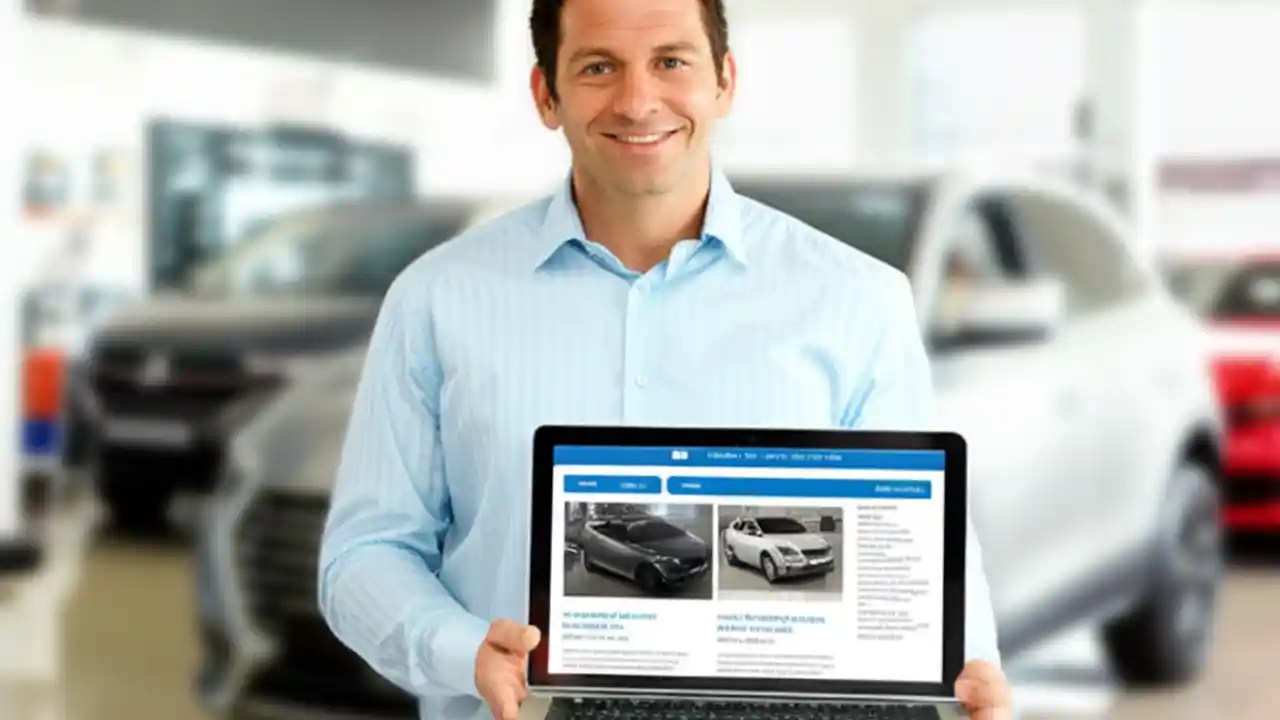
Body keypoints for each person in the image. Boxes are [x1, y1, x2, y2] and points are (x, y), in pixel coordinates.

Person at [317, 0, 1014, 719]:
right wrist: (463, 650)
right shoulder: (436, 299)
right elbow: (365, 555)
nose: (638, 99)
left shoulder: (859, 299)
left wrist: (971, 669)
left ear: (724, 82)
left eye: (671, 62)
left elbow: (919, 552)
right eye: (598, 67)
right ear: (544, 95)